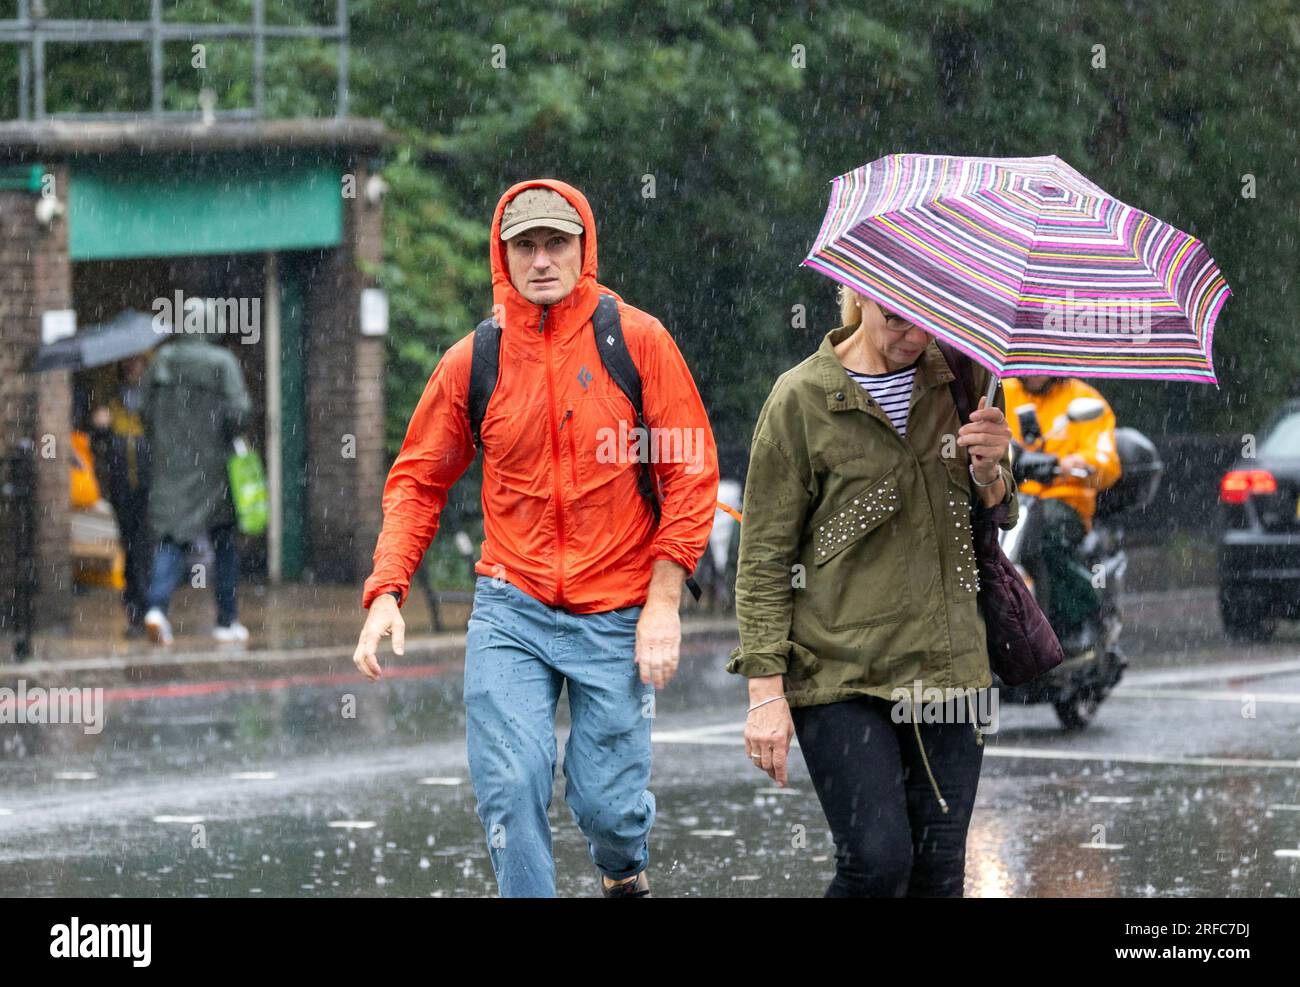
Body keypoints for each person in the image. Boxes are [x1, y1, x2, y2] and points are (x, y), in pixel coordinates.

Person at [353, 180, 719, 898]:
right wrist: (388, 588)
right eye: (526, 245)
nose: (542, 259)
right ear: (503, 254)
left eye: (557, 242)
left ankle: (623, 871)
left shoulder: (637, 342)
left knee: (609, 809)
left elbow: (691, 473)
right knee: (511, 785)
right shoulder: (474, 361)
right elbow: (418, 481)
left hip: (617, 609)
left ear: (583, 250)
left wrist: (664, 602)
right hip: (510, 608)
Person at [729, 285, 1018, 897]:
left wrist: (991, 471)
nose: (913, 338)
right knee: (877, 862)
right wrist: (764, 694)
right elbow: (763, 560)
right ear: (860, 291)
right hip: (841, 676)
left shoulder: (966, 383)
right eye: (896, 319)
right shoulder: (800, 399)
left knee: (938, 875)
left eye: (929, 323)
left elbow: (1000, 514)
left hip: (950, 673)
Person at [139, 328, 252, 645]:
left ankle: (157, 608)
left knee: (171, 538)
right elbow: (240, 413)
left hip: (171, 466)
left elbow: (143, 412)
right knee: (224, 542)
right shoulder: (223, 361)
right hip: (215, 470)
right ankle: (227, 620)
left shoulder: (161, 359)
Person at [1002, 375, 1120, 642]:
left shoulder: (1084, 400)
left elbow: (1106, 462)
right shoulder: (1000, 392)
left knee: (1043, 537)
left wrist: (1070, 464)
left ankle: (1072, 618)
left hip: (1063, 502)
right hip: (1006, 497)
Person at [89, 354, 153, 635]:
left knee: (143, 547)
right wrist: (99, 427)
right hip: (121, 485)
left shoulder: (153, 397)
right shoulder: (113, 399)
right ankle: (136, 605)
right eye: (127, 362)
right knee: (130, 545)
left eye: (136, 361)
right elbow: (98, 443)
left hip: (149, 484)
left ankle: (143, 609)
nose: (131, 366)